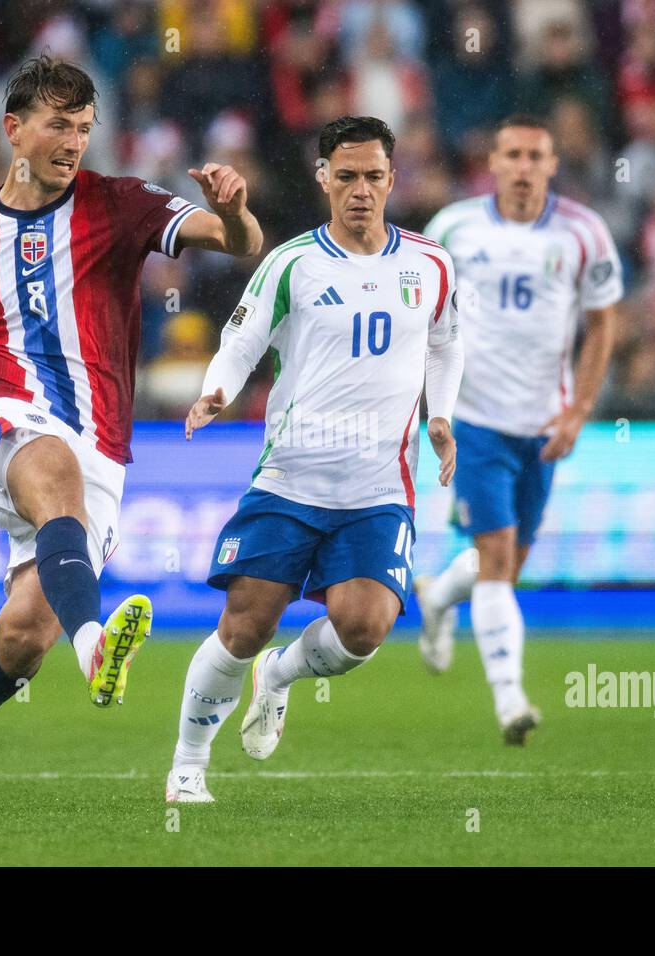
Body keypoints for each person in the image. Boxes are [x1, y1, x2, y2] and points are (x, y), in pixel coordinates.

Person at [0, 55, 263, 811]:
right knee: (52, 469)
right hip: (9, 411)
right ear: (14, 129)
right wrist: (8, 392)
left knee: (23, 636)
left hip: (103, 442)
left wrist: (230, 210)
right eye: (59, 125)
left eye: (85, 128)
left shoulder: (120, 204)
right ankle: (97, 647)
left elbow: (240, 245)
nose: (73, 141)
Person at [165, 115, 463, 803]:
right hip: (291, 479)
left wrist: (440, 414)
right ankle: (188, 764)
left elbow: (447, 342)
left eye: (375, 176)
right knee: (244, 624)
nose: (361, 190)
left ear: (393, 179)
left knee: (364, 628)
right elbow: (241, 342)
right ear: (323, 177)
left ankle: (281, 678)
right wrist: (216, 390)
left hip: (377, 487)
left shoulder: (432, 263)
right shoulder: (291, 262)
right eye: (347, 175)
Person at [414, 114, 622, 745]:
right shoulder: (452, 228)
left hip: (544, 426)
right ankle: (511, 702)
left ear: (553, 164)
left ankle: (436, 597)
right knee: (500, 564)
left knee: (502, 561)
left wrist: (579, 408)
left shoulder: (584, 233)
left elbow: (603, 323)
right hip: (475, 420)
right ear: (494, 163)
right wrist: (431, 406)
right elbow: (418, 314)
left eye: (537, 155)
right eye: (513, 154)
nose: (525, 166)